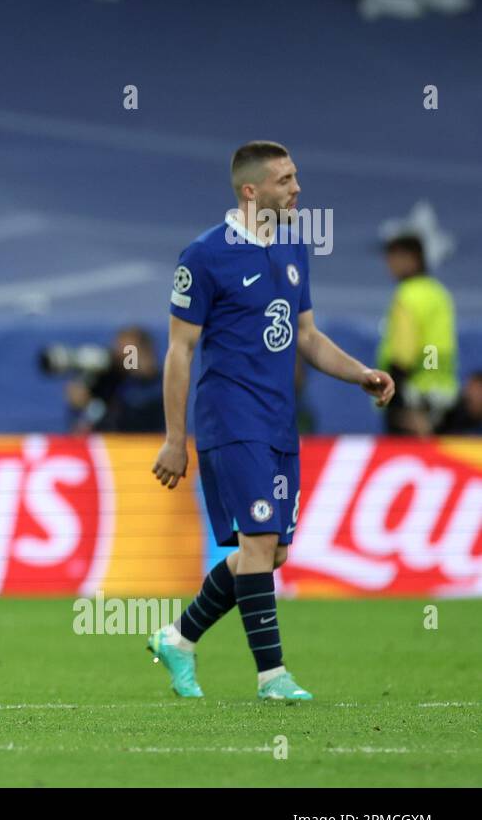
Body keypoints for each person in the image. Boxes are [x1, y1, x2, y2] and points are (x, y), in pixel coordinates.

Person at [150, 140, 395, 702]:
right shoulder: (203, 257)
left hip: (279, 422)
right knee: (260, 542)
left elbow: (306, 336)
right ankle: (273, 677)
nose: (298, 189)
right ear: (251, 190)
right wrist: (174, 438)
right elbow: (179, 352)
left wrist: (360, 373)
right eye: (286, 180)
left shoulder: (292, 249)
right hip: (230, 419)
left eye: (296, 177)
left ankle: (179, 637)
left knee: (271, 552)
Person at [376, 234, 458, 436]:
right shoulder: (439, 294)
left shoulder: (408, 295)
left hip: (412, 399)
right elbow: (435, 348)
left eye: (393, 258)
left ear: (411, 258)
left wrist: (395, 394)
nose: (389, 265)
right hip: (444, 398)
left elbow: (404, 352)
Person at [64, 326, 164, 433]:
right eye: (117, 351)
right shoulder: (113, 382)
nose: (119, 357)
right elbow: (81, 430)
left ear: (145, 353)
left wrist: (89, 405)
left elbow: (129, 417)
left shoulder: (160, 386)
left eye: (127, 352)